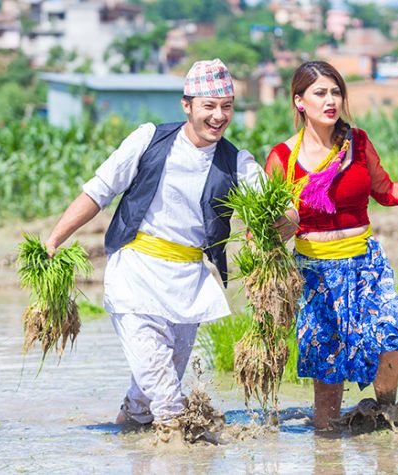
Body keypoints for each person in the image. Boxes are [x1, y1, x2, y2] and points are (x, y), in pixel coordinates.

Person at [44, 59, 297, 432]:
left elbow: (285, 213)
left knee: (149, 393)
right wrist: (54, 239)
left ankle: (129, 435)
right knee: (166, 396)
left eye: (226, 106)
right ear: (187, 105)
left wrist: (273, 230)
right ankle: (185, 445)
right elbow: (98, 191)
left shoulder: (236, 163)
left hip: (189, 281)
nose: (218, 116)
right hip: (135, 272)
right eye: (209, 106)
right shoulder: (149, 139)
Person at [264, 61, 398, 429]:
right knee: (327, 361)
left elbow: (387, 191)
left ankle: (387, 416)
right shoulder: (282, 158)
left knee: (387, 331)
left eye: (336, 91)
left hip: (366, 262)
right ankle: (327, 442)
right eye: (320, 92)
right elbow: (268, 225)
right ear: (299, 101)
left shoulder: (358, 142)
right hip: (316, 270)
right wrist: (278, 231)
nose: (330, 100)